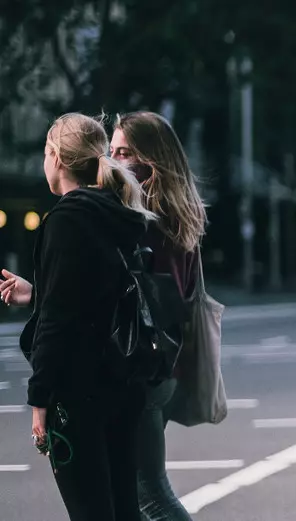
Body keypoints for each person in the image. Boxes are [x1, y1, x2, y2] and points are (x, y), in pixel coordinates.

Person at [9, 113, 158, 520]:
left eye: (45, 153)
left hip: (78, 393)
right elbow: (91, 297)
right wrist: (38, 292)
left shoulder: (66, 220)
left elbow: (59, 320)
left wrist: (39, 399)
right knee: (124, 509)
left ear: (56, 157)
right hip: (122, 385)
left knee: (91, 512)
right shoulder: (116, 211)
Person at [112, 111, 207, 519]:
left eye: (124, 152)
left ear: (151, 160)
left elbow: (122, 291)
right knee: (132, 498)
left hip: (144, 368)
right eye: (110, 150)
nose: (113, 161)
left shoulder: (142, 216)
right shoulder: (175, 212)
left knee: (150, 494)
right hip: (163, 365)